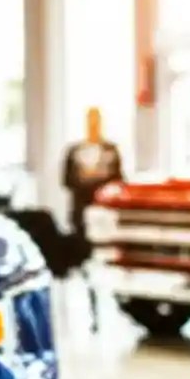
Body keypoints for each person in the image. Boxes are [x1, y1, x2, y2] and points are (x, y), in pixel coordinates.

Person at [62, 107, 124, 332]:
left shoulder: (111, 150)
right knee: (83, 264)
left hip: (103, 216)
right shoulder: (75, 151)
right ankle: (89, 310)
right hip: (80, 217)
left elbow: (119, 180)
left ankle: (105, 311)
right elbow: (66, 180)